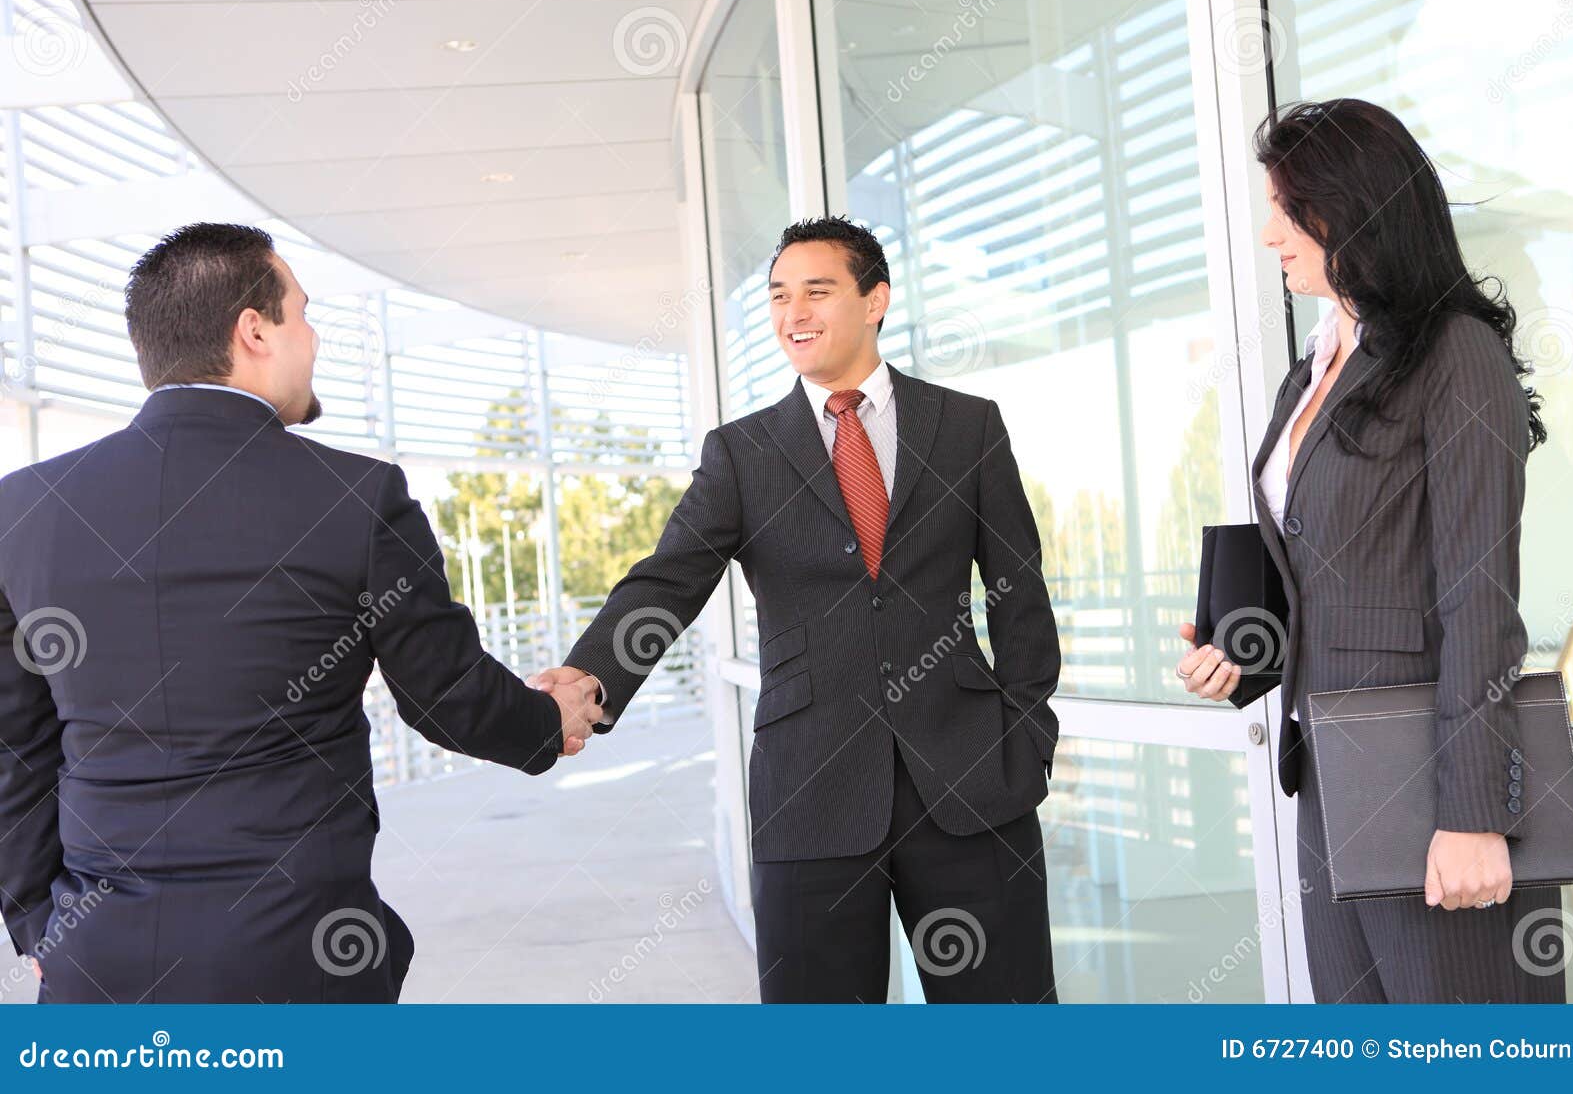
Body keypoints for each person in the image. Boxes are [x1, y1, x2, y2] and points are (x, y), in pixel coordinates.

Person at [0, 223, 602, 1003]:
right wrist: (547, 719)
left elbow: (15, 747)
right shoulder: (359, 497)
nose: (314, 339)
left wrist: (38, 921)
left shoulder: (24, 510)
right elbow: (444, 695)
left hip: (97, 964)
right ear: (254, 330)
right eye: (304, 314)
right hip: (297, 956)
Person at [536, 216, 1062, 1002]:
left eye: (817, 292)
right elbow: (668, 579)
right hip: (808, 792)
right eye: (779, 296)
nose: (794, 314)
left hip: (972, 781)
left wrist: (1027, 734)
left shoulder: (967, 427)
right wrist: (590, 678)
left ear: (875, 298)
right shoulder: (743, 453)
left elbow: (1018, 590)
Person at [1177, 100, 1560, 1002]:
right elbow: (1320, 566)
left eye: (1286, 204)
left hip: (1430, 785)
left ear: (1357, 205)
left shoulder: (1456, 354)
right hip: (1328, 780)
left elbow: (1476, 597)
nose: (1268, 231)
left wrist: (1472, 815)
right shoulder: (1311, 369)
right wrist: (1245, 657)